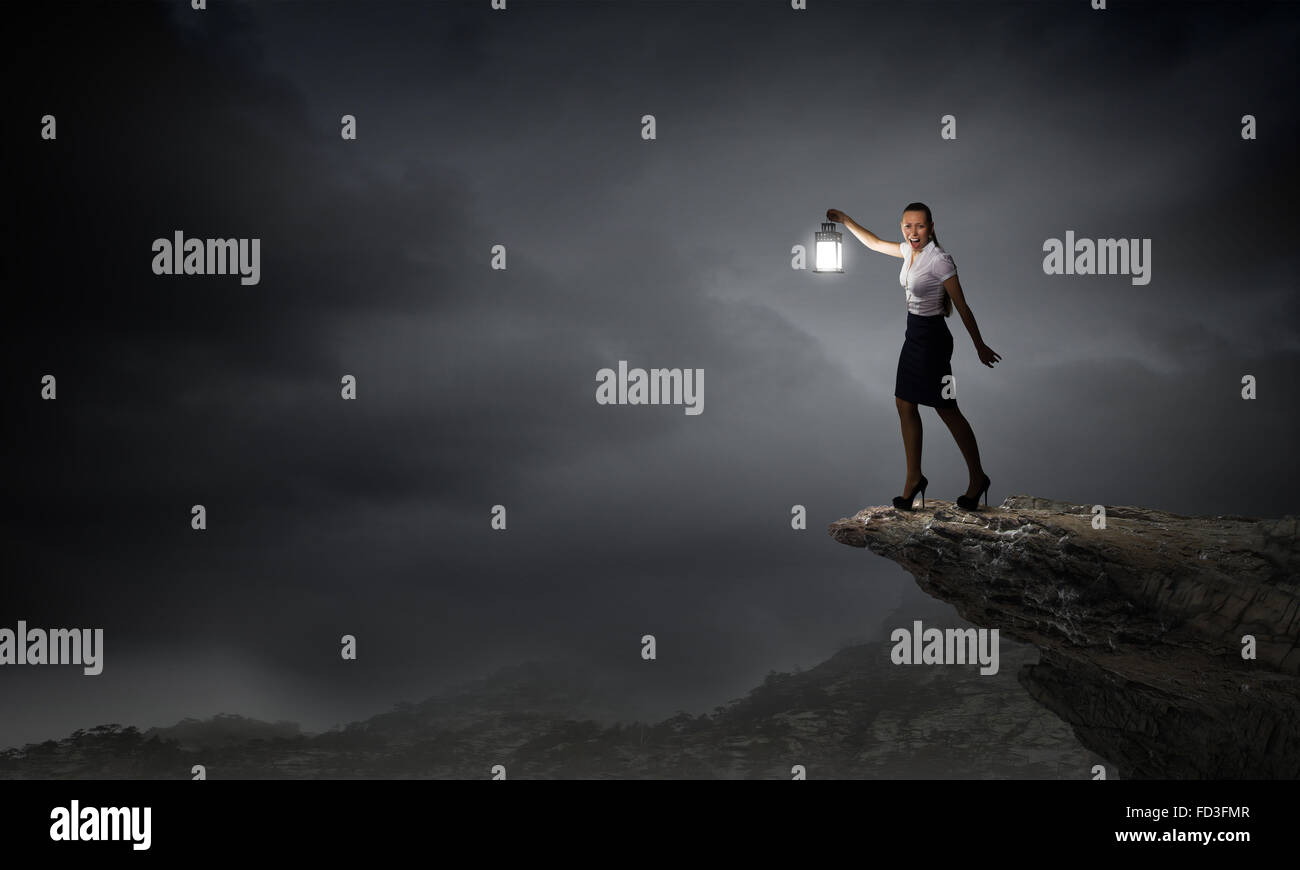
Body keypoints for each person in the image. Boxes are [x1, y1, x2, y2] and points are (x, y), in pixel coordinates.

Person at [825, 203, 1000, 511]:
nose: (913, 232)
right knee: (904, 404)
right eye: (908, 226)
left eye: (919, 226)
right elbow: (875, 243)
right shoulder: (908, 252)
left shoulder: (940, 260)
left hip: (934, 340)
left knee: (947, 408)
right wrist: (846, 220)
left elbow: (962, 305)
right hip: (913, 336)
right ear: (902, 227)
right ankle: (913, 477)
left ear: (931, 227)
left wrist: (980, 345)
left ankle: (978, 478)